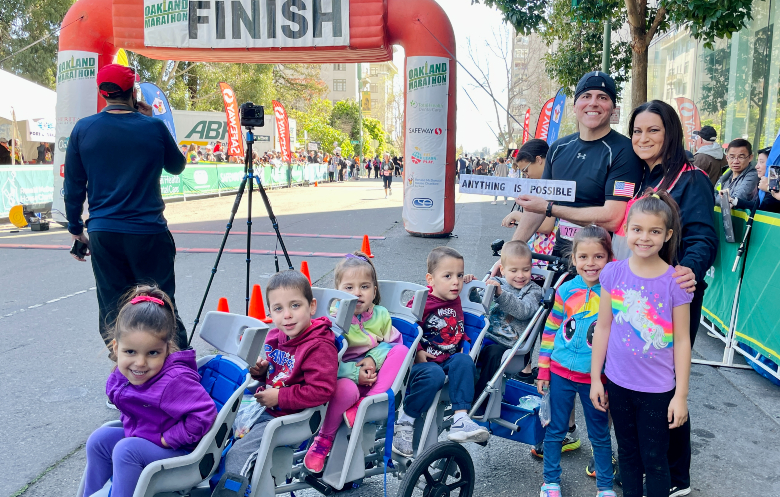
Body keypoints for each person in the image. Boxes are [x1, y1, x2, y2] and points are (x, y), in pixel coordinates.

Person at [622, 100, 717, 496]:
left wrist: (688, 269)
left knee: (668, 383)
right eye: (638, 131)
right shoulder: (639, 179)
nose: (643, 138)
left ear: (670, 133)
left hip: (672, 295)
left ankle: (676, 476)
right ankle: (649, 461)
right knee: (639, 381)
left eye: (653, 130)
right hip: (635, 296)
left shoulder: (690, 179)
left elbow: (702, 237)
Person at [64, 63, 189, 354]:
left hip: (104, 231)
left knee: (113, 307)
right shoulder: (153, 127)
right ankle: (177, 373)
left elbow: (73, 186)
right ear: (133, 92)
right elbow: (177, 166)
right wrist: (151, 119)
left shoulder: (83, 129)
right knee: (160, 302)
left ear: (102, 93)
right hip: (148, 232)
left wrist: (75, 229)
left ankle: (125, 377)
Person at [591, 191, 692, 497]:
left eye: (655, 231)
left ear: (667, 235)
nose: (644, 238)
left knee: (656, 461)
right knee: (628, 457)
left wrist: (681, 396)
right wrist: (597, 378)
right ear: (626, 229)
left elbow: (683, 340)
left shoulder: (676, 282)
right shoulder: (613, 273)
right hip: (619, 385)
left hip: (658, 391)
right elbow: (603, 327)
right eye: (637, 229)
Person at [83, 286, 217, 497]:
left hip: (180, 454)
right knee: (100, 440)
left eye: (153, 353)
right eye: (130, 352)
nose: (140, 363)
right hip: (143, 439)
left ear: (166, 349)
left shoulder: (173, 381)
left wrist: (168, 439)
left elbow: (204, 414)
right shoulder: (123, 373)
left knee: (126, 451)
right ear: (116, 348)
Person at [503, 71, 644, 259]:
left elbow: (613, 217)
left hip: (603, 261)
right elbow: (536, 208)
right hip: (561, 255)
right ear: (575, 106)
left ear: (613, 109)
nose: (593, 102)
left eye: (602, 97)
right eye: (586, 96)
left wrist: (549, 209)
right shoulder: (558, 148)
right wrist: (512, 252)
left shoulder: (624, 150)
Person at [225, 270, 339, 476]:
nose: (287, 315)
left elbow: (322, 390)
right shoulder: (277, 335)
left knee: (238, 456)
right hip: (268, 408)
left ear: (311, 306)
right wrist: (262, 371)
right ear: (270, 312)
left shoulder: (319, 346)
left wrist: (279, 397)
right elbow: (279, 373)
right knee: (218, 425)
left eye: (295, 305)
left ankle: (233, 488)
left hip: (291, 417)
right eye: (278, 308)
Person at [304, 253, 409, 473]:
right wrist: (354, 372)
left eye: (364, 287)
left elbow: (393, 345)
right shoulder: (333, 319)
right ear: (337, 293)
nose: (357, 293)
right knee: (346, 389)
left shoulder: (381, 314)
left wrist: (373, 358)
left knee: (400, 351)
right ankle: (323, 441)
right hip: (343, 377)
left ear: (374, 291)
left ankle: (367, 405)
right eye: (349, 288)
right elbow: (325, 361)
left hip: (374, 379)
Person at [537, 227, 616, 497]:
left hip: (595, 378)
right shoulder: (566, 290)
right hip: (559, 372)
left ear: (609, 258)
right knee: (556, 430)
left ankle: (605, 487)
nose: (590, 263)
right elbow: (551, 329)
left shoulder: (614, 293)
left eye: (598, 257)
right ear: (573, 258)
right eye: (583, 257)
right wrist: (543, 368)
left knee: (599, 434)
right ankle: (550, 482)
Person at [392, 247, 489, 457]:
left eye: (460, 275)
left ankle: (460, 419)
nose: (456, 282)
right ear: (430, 279)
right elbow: (407, 329)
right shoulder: (422, 302)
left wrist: (469, 281)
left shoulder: (455, 295)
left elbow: (468, 289)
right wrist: (417, 351)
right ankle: (405, 421)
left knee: (464, 361)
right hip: (423, 364)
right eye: (448, 276)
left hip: (448, 358)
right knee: (434, 374)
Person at [473, 241, 542, 401]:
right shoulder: (497, 282)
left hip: (509, 346)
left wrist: (501, 294)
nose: (520, 275)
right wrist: (472, 288)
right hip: (485, 336)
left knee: (493, 353)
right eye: (514, 270)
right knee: (467, 348)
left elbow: (524, 311)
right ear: (502, 270)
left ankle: (479, 401)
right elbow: (480, 308)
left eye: (526, 270)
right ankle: (462, 392)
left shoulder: (533, 290)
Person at [715, 138, 759, 207]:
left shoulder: (753, 175)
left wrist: (717, 198)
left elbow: (735, 199)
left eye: (741, 157)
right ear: (727, 158)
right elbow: (713, 194)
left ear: (750, 157)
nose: (735, 162)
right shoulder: (727, 175)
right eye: (732, 157)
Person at [757, 147, 780, 213]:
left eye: (761, 162)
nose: (756, 166)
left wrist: (770, 188)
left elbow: (760, 208)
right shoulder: (758, 183)